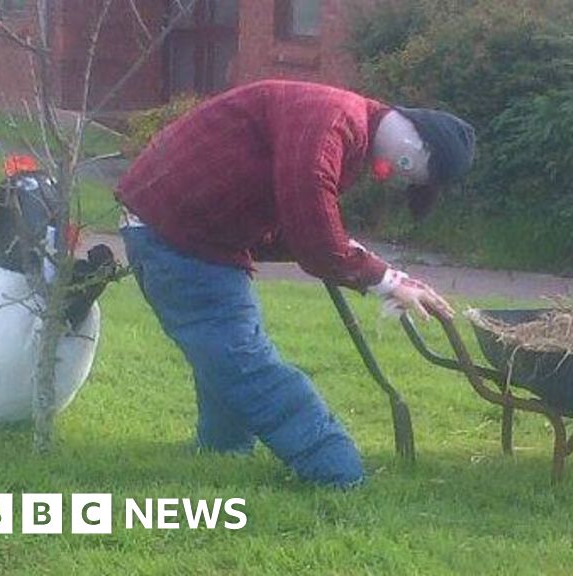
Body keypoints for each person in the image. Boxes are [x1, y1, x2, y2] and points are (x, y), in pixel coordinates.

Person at [116, 80, 475, 488]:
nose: (398, 181)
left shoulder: (343, 124)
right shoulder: (331, 124)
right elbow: (312, 232)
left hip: (184, 233)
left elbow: (301, 219)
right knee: (243, 362)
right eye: (413, 178)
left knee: (225, 352)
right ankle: (337, 472)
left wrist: (382, 273)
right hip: (178, 237)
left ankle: (223, 449)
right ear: (414, 152)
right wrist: (383, 279)